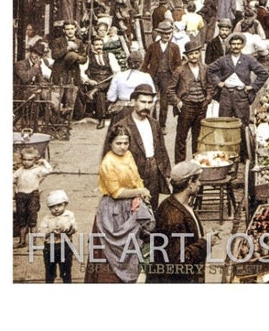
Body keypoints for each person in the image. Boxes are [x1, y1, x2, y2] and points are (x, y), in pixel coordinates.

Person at [85, 124, 155, 283]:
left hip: (131, 206)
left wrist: (142, 191)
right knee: (111, 253)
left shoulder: (128, 155)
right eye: (118, 143)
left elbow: (136, 178)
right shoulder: (108, 163)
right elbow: (116, 193)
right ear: (110, 143)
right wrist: (139, 192)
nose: (123, 147)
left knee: (133, 247)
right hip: (113, 211)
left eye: (126, 143)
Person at [103, 82, 171, 207]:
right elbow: (108, 155)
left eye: (150, 102)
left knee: (151, 208)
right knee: (132, 210)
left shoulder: (154, 124)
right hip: (132, 173)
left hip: (153, 171)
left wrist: (166, 173)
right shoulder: (122, 126)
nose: (146, 106)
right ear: (133, 102)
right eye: (143, 102)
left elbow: (161, 149)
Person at [147, 160, 213, 283]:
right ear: (189, 183)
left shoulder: (171, 204)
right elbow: (179, 261)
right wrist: (205, 243)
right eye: (197, 180)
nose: (199, 183)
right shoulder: (174, 217)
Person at [206, 32, 269, 133]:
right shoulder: (223, 60)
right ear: (230, 45)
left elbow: (263, 73)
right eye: (234, 44)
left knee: (243, 124)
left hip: (241, 95)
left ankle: (243, 148)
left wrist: (253, 87)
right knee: (224, 123)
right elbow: (209, 70)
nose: (236, 46)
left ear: (242, 45)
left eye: (238, 44)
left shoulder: (248, 59)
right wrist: (218, 82)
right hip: (226, 95)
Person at [167, 39, 213, 163]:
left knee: (198, 137)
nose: (194, 56)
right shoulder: (180, 70)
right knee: (182, 137)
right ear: (186, 56)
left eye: (196, 53)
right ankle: (180, 166)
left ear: (199, 53)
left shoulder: (205, 68)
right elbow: (170, 90)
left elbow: (210, 86)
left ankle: (196, 164)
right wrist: (178, 102)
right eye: (191, 54)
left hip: (201, 106)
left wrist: (207, 99)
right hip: (186, 107)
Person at [141, 20, 182, 128]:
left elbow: (178, 64)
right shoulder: (152, 46)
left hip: (167, 76)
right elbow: (146, 62)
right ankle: (151, 123)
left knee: (164, 102)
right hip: (153, 76)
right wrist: (141, 75)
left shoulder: (174, 47)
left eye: (169, 33)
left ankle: (162, 125)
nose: (167, 36)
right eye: (164, 33)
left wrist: (178, 77)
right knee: (151, 99)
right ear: (160, 34)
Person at [14, 147, 52, 247]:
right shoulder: (20, 170)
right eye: (24, 159)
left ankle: (33, 243)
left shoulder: (37, 170)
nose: (26, 162)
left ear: (35, 160)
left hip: (32, 196)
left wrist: (43, 161)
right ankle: (22, 241)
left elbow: (49, 170)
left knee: (32, 220)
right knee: (21, 220)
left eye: (30, 160)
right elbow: (12, 178)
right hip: (20, 196)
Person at [79, 35, 120, 128]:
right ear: (93, 46)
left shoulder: (109, 55)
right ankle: (102, 119)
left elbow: (117, 70)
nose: (99, 47)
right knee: (100, 93)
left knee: (112, 80)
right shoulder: (88, 57)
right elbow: (81, 73)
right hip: (94, 81)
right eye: (96, 45)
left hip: (108, 81)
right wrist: (88, 80)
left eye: (101, 45)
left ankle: (94, 91)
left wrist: (113, 77)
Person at [38, 189, 77, 283]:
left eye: (59, 205)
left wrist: (68, 228)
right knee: (50, 271)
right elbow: (41, 233)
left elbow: (75, 228)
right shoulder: (47, 218)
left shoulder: (69, 215)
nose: (56, 209)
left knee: (66, 271)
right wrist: (50, 231)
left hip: (65, 246)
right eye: (52, 207)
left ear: (65, 204)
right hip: (50, 247)